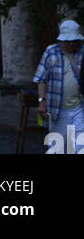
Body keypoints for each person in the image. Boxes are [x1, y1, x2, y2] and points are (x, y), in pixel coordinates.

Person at [34, 19, 84, 150]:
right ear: (61, 40)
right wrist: (42, 102)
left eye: (73, 41)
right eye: (67, 41)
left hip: (80, 108)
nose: (70, 45)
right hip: (57, 109)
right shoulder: (51, 52)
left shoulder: (82, 53)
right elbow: (41, 78)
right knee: (58, 147)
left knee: (80, 147)